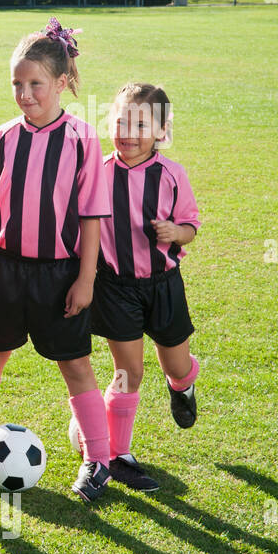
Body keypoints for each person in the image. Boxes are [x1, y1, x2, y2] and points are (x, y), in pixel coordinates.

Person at [0, 19, 113, 504]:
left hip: (60, 274)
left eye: (35, 84)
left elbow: (91, 219)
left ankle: (98, 460)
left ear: (62, 83)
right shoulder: (3, 137)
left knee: (76, 366)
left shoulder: (83, 139)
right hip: (4, 268)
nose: (24, 93)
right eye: (17, 84)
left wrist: (85, 279)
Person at [85, 83, 201, 490]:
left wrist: (175, 231)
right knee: (127, 372)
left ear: (161, 131)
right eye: (120, 121)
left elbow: (191, 228)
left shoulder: (171, 175)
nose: (128, 132)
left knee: (176, 365)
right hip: (115, 287)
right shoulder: (95, 172)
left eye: (140, 124)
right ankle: (116, 453)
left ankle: (182, 386)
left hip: (164, 285)